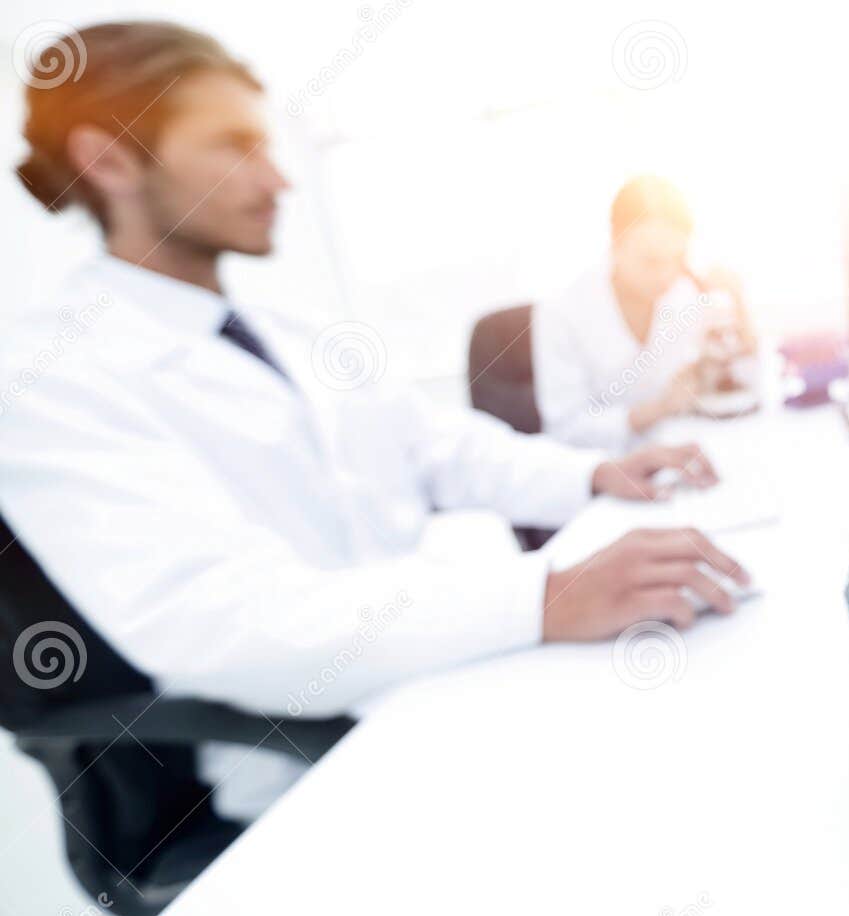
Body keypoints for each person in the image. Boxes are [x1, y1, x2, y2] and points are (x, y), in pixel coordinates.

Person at [0, 22, 749, 819]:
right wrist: (541, 596)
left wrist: (592, 473)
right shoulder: (51, 380)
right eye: (236, 146)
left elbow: (441, 448)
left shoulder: (287, 330)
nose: (279, 179)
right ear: (109, 158)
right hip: (300, 760)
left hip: (435, 671)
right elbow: (227, 620)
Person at [533, 175, 757, 451]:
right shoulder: (562, 312)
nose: (665, 275)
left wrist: (739, 304)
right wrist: (658, 409)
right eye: (651, 261)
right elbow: (565, 430)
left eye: (677, 258)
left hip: (675, 450)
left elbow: (744, 377)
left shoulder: (685, 291)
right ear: (615, 241)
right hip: (602, 468)